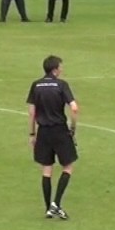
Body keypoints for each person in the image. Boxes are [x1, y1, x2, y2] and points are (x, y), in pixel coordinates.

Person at [27, 55, 80, 219]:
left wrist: (32, 133)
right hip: (60, 130)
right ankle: (56, 204)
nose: (62, 69)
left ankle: (48, 207)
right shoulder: (61, 85)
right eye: (61, 67)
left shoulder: (36, 85)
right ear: (55, 69)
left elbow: (31, 112)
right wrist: (73, 128)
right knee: (68, 166)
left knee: (47, 169)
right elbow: (74, 108)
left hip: (43, 131)